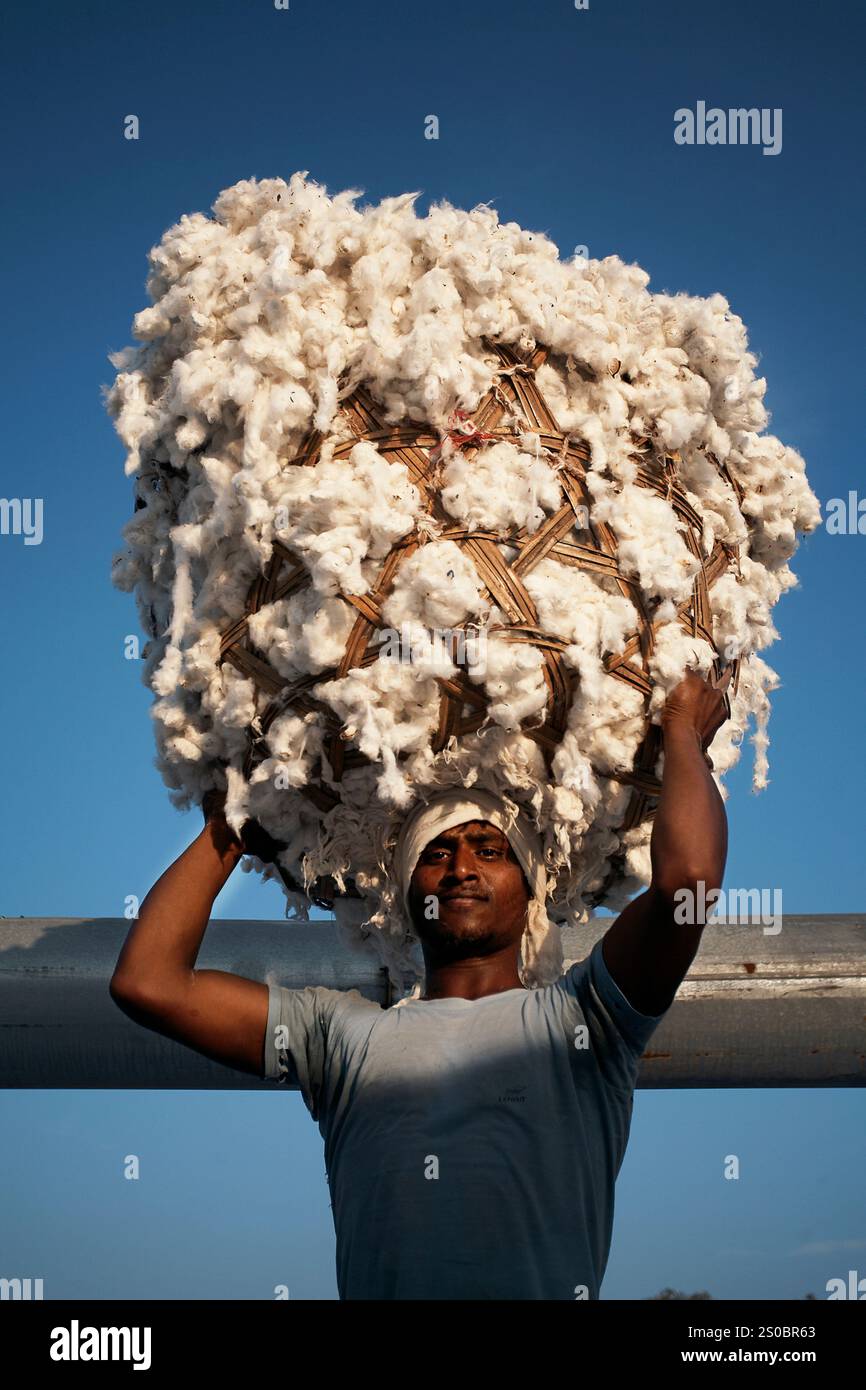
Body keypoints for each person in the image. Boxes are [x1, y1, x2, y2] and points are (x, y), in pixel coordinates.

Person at [109, 669, 730, 1299]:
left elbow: (689, 883)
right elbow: (150, 983)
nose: (461, 868)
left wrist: (682, 731)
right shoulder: (340, 1037)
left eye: (489, 851)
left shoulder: (587, 1020)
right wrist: (233, 827)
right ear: (408, 898)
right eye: (437, 855)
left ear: (531, 891)